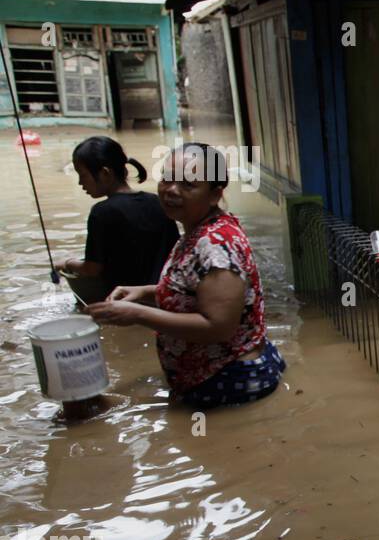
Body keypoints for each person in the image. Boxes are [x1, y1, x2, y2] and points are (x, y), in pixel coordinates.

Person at [86, 143, 285, 408]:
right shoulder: (199, 228)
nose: (171, 190)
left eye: (188, 185)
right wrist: (145, 292)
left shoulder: (216, 246)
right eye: (167, 178)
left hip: (227, 380)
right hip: (217, 372)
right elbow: (195, 292)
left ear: (215, 194)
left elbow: (219, 327)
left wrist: (138, 315)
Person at [59, 136, 179, 304]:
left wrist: (67, 263)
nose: (80, 182)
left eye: (83, 175)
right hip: (162, 295)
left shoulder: (101, 212)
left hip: (127, 301)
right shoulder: (157, 201)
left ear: (105, 173)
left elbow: (92, 269)